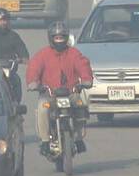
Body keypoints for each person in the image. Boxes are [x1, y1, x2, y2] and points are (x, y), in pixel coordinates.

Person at [26, 21, 94, 158]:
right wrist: (34, 83)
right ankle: (45, 141)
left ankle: (79, 138)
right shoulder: (43, 54)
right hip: (49, 95)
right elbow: (33, 68)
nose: (59, 41)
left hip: (70, 93)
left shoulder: (74, 53)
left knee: (81, 105)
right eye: (56, 38)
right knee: (42, 108)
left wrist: (86, 80)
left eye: (62, 38)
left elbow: (83, 66)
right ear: (51, 39)